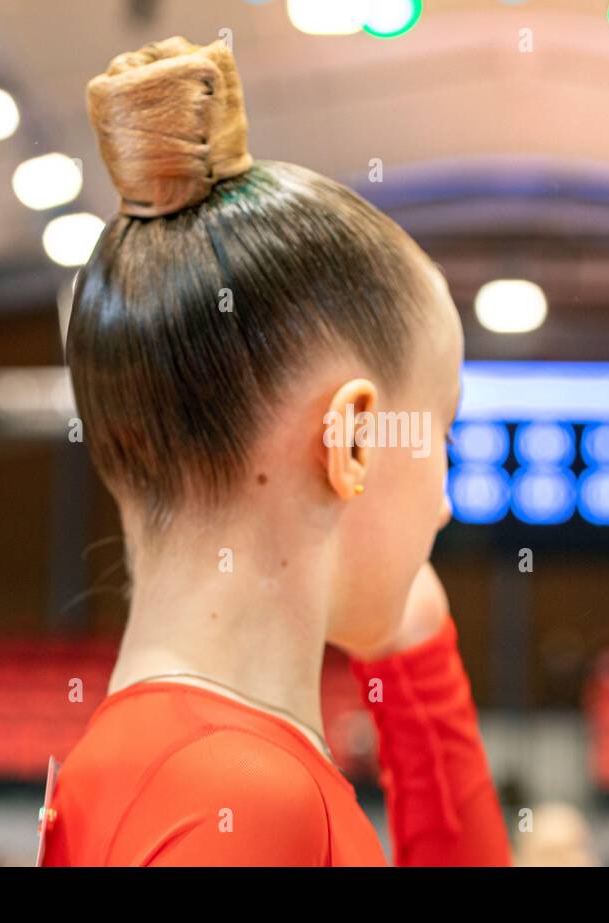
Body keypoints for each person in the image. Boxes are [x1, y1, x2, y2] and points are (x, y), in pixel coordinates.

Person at [40, 36, 510, 866]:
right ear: (355, 440)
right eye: (443, 434)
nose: (444, 499)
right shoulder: (238, 795)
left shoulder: (192, 769)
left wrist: (421, 671)